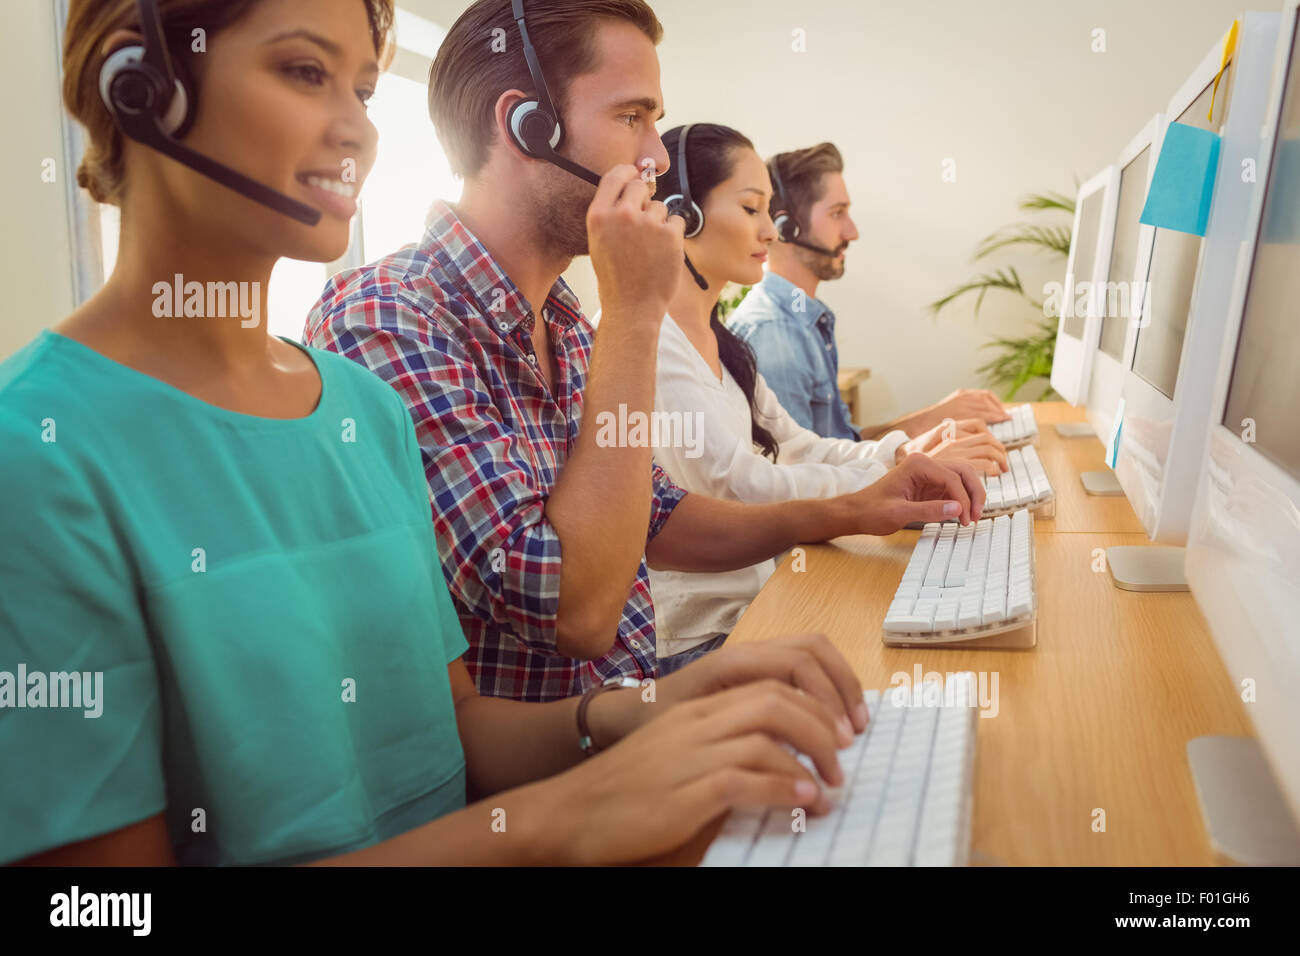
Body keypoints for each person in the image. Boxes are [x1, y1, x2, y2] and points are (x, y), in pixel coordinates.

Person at [1, 0, 884, 868]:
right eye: (306, 72)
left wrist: (639, 712)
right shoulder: (35, 452)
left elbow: (449, 732)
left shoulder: (355, 406)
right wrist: (562, 816)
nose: (361, 133)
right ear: (139, 85)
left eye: (365, 91)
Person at [306, 0, 986, 689]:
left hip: (634, 717)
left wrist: (853, 509)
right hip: (559, 773)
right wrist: (634, 310)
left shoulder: (563, 320)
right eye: (633, 117)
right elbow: (574, 611)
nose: (657, 156)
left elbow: (659, 518)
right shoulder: (391, 315)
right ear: (524, 125)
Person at [648, 124, 1010, 660]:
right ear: (684, 214)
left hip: (762, 598)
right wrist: (882, 486)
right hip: (706, 638)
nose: (771, 232)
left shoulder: (722, 343)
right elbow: (741, 485)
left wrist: (902, 456)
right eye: (752, 209)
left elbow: (800, 445)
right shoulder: (651, 344)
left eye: (770, 211)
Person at [728, 142, 1012, 441]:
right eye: (837, 214)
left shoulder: (803, 321)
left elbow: (843, 445)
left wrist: (936, 419)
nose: (853, 232)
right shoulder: (776, 334)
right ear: (786, 227)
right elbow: (800, 476)